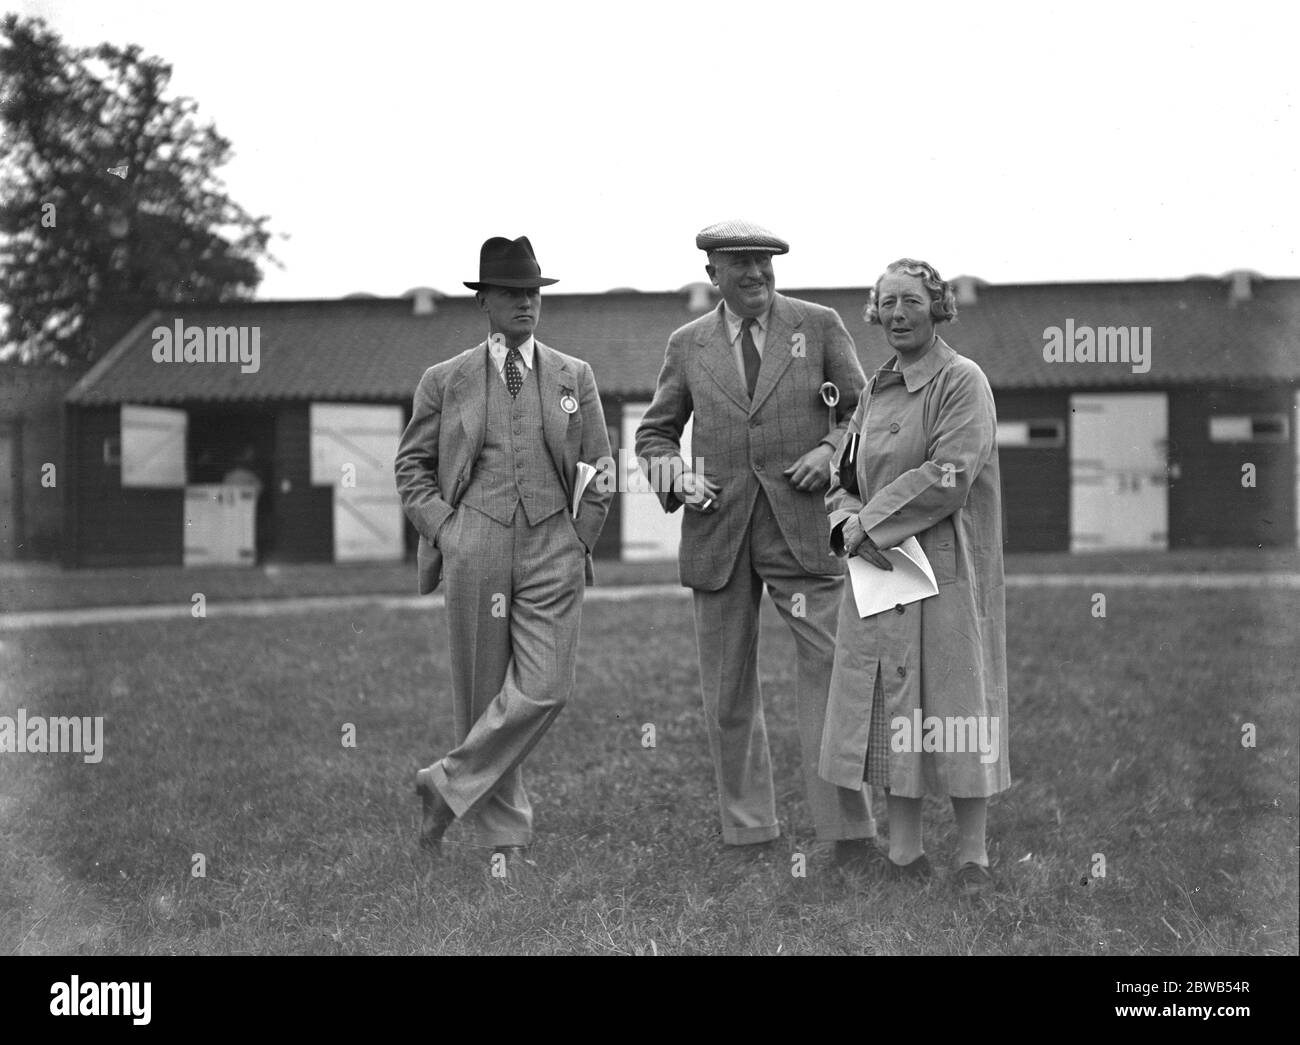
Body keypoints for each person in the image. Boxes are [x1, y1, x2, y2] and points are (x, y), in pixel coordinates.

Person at [635, 220, 879, 872]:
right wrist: (676, 476)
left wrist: (830, 453)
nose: (756, 274)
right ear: (712, 273)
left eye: (765, 263)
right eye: (740, 264)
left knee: (828, 678)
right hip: (719, 538)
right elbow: (654, 435)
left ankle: (850, 833)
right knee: (727, 690)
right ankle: (749, 832)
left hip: (800, 533)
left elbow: (866, 412)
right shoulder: (688, 344)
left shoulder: (819, 325)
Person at [394, 235, 613, 874]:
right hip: (476, 543)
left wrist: (580, 537)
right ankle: (505, 846)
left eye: (533, 293)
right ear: (484, 300)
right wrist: (447, 528)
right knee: (484, 693)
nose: (525, 304)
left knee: (544, 689)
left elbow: (600, 465)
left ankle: (445, 782)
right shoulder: (445, 380)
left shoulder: (576, 375)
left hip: (553, 543)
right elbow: (411, 465)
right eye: (512, 293)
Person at [821, 258, 1010, 897]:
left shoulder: (962, 380)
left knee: (956, 706)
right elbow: (844, 475)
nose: (897, 313)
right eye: (887, 303)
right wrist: (845, 524)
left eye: (910, 301)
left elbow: (948, 474)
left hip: (947, 571)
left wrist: (866, 525)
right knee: (891, 705)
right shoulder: (875, 388)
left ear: (937, 308)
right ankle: (904, 853)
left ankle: (973, 858)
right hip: (881, 572)